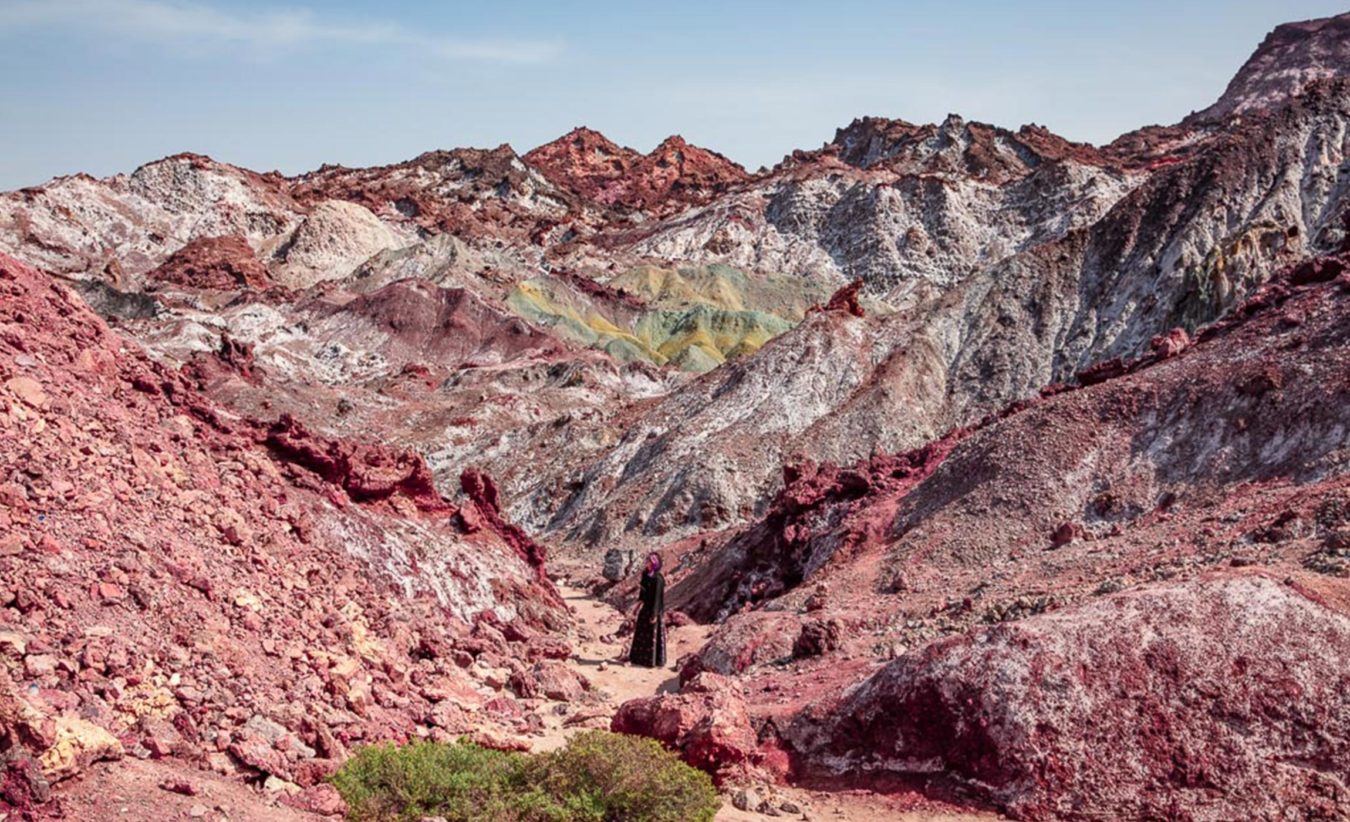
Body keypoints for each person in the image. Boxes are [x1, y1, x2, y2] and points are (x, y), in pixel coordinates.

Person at [627, 552, 666, 667]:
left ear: (654, 563)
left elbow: (657, 598)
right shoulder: (645, 574)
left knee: (652, 635)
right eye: (647, 561)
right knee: (641, 632)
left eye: (649, 561)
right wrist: (637, 606)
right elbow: (643, 592)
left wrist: (654, 615)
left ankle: (652, 661)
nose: (647, 563)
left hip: (654, 609)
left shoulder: (658, 579)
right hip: (645, 608)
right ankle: (637, 658)